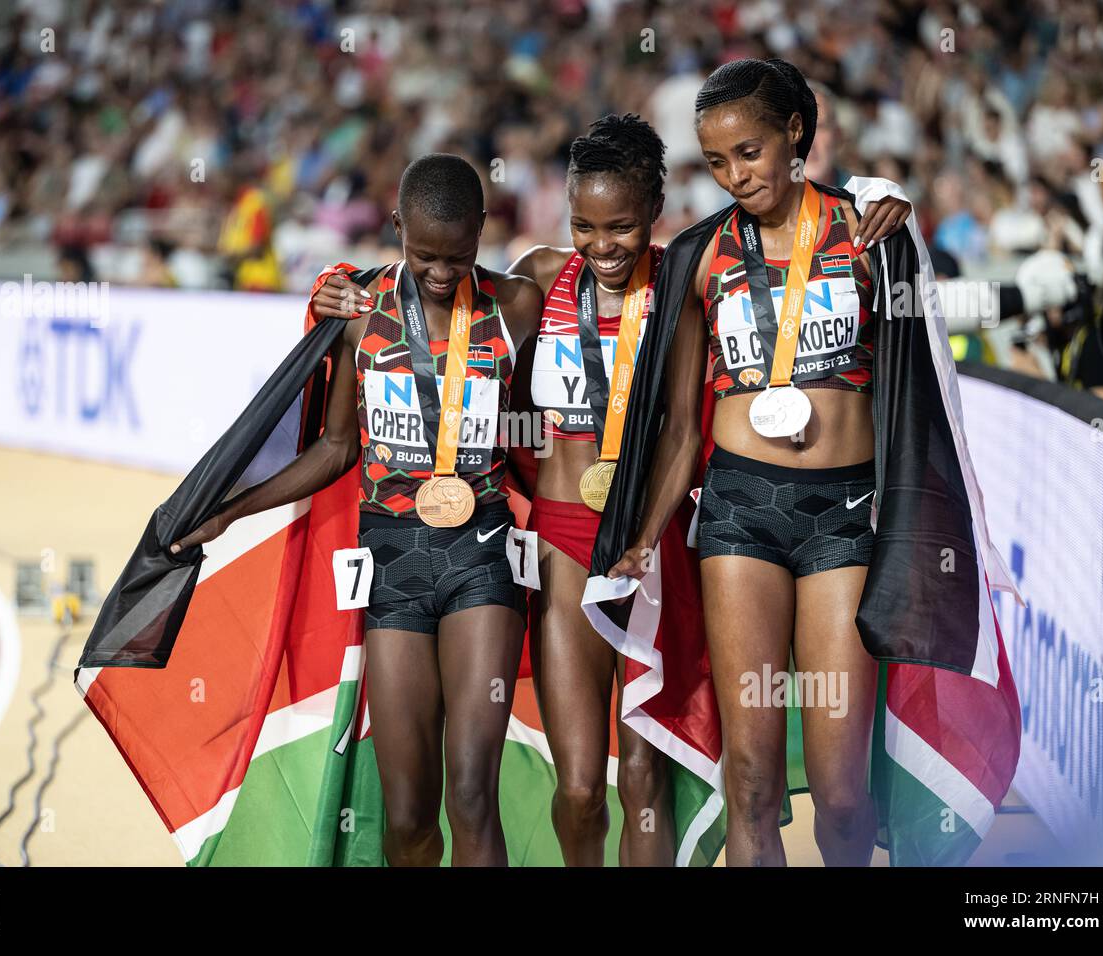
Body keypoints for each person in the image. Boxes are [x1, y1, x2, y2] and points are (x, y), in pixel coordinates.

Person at [309, 116, 913, 866]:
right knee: (580, 790)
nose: (603, 245)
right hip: (562, 544)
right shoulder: (533, 279)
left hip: (652, 545)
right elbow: (439, 321)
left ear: (655, 211)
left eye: (622, 226)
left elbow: (734, 363)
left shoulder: (688, 274)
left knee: (643, 774)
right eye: (585, 225)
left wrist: (880, 194)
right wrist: (333, 292)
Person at [598, 58, 1016, 867]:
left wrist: (903, 218)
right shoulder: (700, 254)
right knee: (751, 782)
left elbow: (924, 369)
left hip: (846, 518)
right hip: (737, 514)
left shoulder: (870, 233)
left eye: (748, 153)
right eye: (716, 162)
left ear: (796, 132)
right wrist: (646, 533)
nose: (734, 176)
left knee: (842, 792)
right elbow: (681, 428)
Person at [172, 154, 544, 866]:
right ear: (397, 225)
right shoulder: (359, 311)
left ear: (482, 231)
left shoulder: (515, 305)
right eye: (424, 254)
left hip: (483, 557)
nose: (441, 272)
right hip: (392, 563)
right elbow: (337, 448)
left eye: (458, 255)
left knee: (471, 795)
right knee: (406, 814)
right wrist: (230, 511)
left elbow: (597, 272)